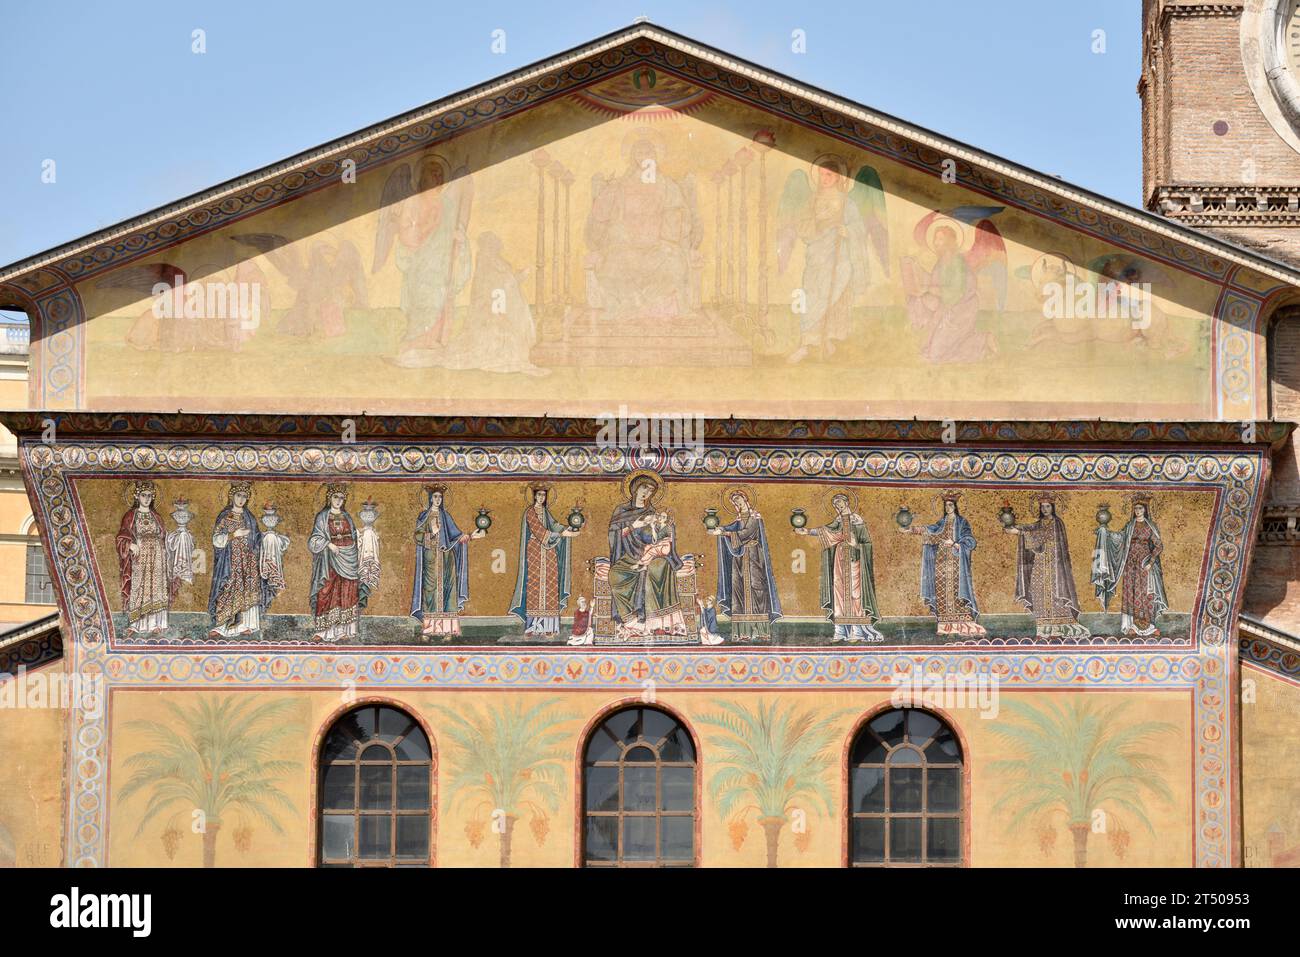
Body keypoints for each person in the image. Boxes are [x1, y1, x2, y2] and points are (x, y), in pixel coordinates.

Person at [607, 472, 688, 640]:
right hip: (628, 555)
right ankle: (631, 622)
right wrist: (633, 526)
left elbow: (663, 535)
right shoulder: (621, 511)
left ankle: (654, 622)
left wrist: (657, 527)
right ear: (636, 488)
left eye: (651, 491)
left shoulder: (652, 512)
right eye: (644, 487)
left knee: (654, 569)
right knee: (615, 575)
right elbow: (613, 536)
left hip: (648, 553)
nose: (646, 492)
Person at [796, 492, 883, 642]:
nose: (837, 507)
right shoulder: (837, 522)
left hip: (855, 560)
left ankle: (857, 631)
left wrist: (856, 545)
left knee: (856, 594)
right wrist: (808, 531)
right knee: (839, 593)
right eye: (835, 505)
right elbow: (826, 531)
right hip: (839, 560)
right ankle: (841, 631)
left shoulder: (857, 521)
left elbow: (867, 543)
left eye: (840, 504)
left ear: (847, 503)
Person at [900, 494, 986, 637]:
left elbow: (970, 540)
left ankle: (963, 624)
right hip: (940, 562)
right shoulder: (942, 522)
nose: (948, 507)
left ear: (955, 506)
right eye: (946, 505)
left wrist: (955, 543)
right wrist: (911, 530)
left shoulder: (962, 522)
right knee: (941, 591)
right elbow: (930, 529)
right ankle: (945, 624)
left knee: (958, 591)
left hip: (957, 562)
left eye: (950, 505)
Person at [1006, 496, 1091, 639]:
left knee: (1056, 592)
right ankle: (1043, 629)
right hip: (1040, 564)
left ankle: (1059, 627)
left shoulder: (1057, 523)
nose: (1045, 509)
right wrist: (1015, 526)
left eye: (1047, 506)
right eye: (1042, 507)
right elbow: (1031, 527)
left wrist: (1020, 533)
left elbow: (1044, 534)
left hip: (1054, 565)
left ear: (1053, 507)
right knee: (1038, 590)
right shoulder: (1039, 523)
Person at [410, 485, 484, 640]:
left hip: (446, 559)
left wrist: (471, 536)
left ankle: (448, 631)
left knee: (448, 592)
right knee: (430, 592)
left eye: (440, 497)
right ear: (430, 498)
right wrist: (432, 534)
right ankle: (429, 630)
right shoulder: (424, 516)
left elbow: (456, 537)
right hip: (430, 560)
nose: (438, 499)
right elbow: (417, 537)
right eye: (435, 496)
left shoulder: (446, 516)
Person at [709, 488, 781, 641]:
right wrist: (719, 528)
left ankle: (761, 631)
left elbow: (746, 532)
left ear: (746, 499)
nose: (737, 504)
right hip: (740, 559)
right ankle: (743, 633)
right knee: (738, 590)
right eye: (735, 502)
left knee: (757, 589)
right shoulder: (738, 520)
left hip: (754, 557)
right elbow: (731, 527)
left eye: (739, 500)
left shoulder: (755, 517)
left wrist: (724, 533)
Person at [509, 486, 580, 638]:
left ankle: (549, 627)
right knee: (534, 586)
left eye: (543, 495)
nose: (541, 498)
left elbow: (554, 525)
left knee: (550, 586)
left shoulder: (546, 512)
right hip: (535, 550)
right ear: (534, 496)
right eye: (539, 495)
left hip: (549, 552)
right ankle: (532, 627)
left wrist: (568, 529)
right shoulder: (530, 512)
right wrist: (561, 534)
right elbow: (538, 530)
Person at [1092, 498, 1167, 637]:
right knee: (1131, 593)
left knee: (1145, 594)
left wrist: (1150, 562)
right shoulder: (1130, 525)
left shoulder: (1151, 526)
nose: (1138, 511)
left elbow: (1159, 546)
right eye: (1136, 508)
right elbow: (1119, 538)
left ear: (1145, 510)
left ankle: (1149, 626)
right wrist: (1106, 533)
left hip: (1144, 564)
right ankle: (1132, 625)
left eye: (1141, 508)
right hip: (1130, 564)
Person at [308, 484, 369, 642]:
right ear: (329, 498)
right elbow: (314, 539)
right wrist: (329, 544)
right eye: (336, 497)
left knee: (347, 593)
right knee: (327, 591)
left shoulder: (347, 516)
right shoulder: (323, 516)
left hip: (349, 559)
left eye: (341, 498)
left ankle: (344, 630)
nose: (338, 501)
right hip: (330, 560)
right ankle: (324, 632)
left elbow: (353, 537)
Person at [208, 482, 267, 638]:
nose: (241, 499)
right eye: (238, 495)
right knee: (227, 587)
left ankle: (246, 624)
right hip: (229, 560)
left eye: (244, 497)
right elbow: (216, 539)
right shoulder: (224, 515)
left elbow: (257, 539)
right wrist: (234, 535)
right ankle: (222, 626)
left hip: (248, 560)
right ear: (231, 496)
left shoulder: (250, 517)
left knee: (247, 588)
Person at [115, 480, 173, 636]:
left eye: (149, 496)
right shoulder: (130, 515)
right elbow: (121, 536)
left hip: (157, 555)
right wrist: (130, 545)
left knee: (157, 587)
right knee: (140, 586)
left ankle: (156, 624)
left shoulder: (157, 516)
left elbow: (163, 536)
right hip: (140, 556)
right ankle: (136, 625)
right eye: (143, 495)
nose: (147, 498)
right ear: (137, 496)